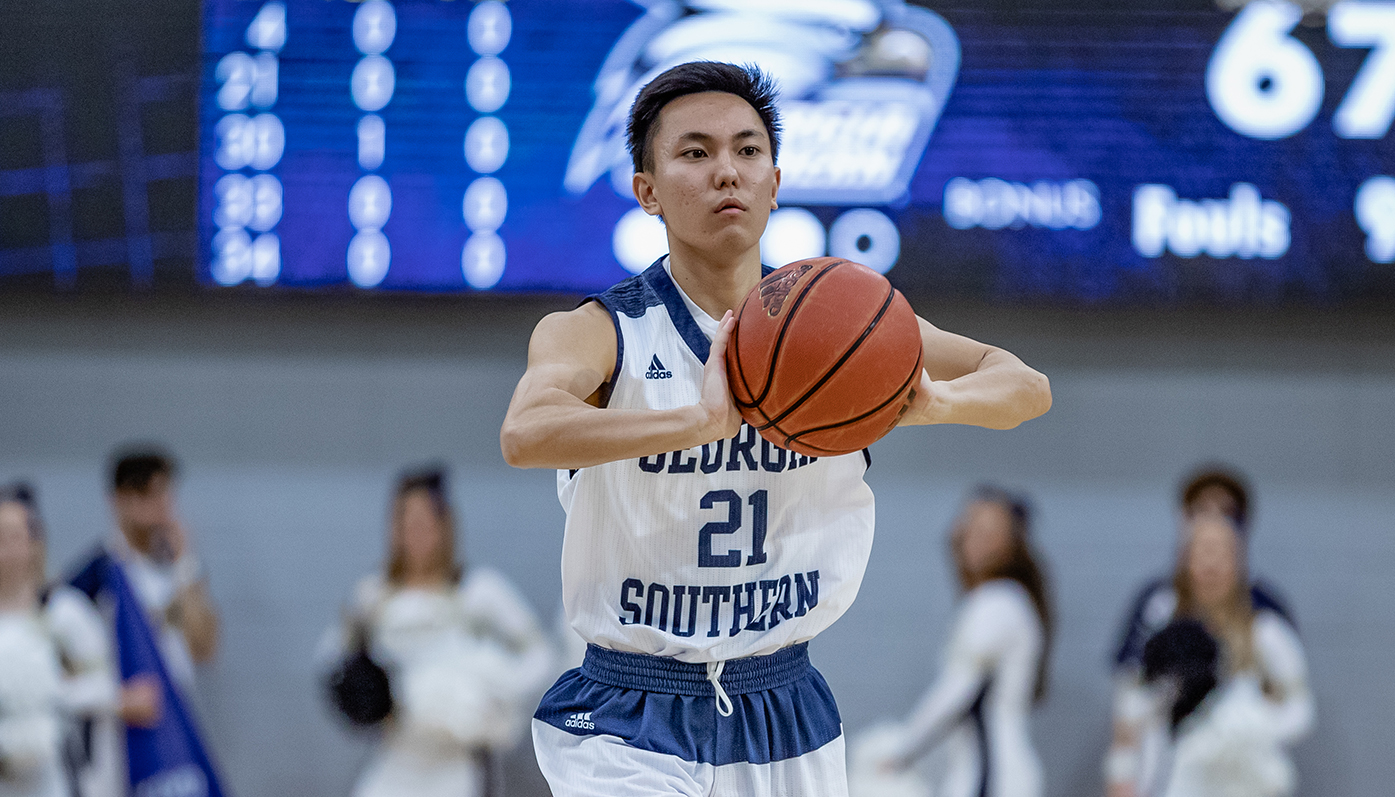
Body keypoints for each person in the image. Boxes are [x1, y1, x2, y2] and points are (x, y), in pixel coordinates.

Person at [499, 61, 1051, 797]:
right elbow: (526, 432)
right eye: (695, 152)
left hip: (783, 705)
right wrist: (696, 422)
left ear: (776, 181)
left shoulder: (843, 326)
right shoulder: (603, 330)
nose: (727, 170)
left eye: (748, 150)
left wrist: (936, 403)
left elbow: (1026, 387)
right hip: (629, 708)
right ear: (647, 191)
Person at [333, 467, 552, 797]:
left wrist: (498, 695)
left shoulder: (479, 591)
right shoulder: (373, 596)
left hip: (457, 761)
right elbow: (335, 662)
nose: (415, 533)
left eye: (424, 522)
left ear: (445, 525)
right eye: (406, 522)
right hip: (398, 755)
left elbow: (540, 656)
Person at [1106, 467, 1297, 797]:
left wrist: (1247, 729)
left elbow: (1295, 706)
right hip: (1172, 772)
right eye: (1201, 511)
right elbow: (1131, 697)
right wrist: (1120, 769)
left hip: (1241, 778)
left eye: (1225, 512)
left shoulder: (1265, 618)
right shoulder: (1159, 608)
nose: (1211, 563)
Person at [66, 448, 225, 797]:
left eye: (165, 494)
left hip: (172, 729)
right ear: (119, 500)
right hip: (114, 745)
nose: (160, 508)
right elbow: (61, 676)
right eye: (147, 496)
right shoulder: (93, 579)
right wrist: (115, 698)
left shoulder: (179, 570)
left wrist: (185, 565)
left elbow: (205, 648)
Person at [877, 486, 1052, 797]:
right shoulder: (999, 600)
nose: (973, 536)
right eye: (969, 525)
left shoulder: (997, 603)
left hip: (994, 778)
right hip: (983, 773)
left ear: (1011, 544)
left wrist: (900, 752)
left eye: (988, 530)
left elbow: (956, 692)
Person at [1136, 515, 1314, 797]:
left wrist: (1254, 728)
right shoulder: (1165, 628)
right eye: (1202, 553)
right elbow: (1148, 717)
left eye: (1221, 554)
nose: (1211, 565)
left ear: (1239, 562)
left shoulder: (1266, 631)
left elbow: (1301, 711)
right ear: (1185, 560)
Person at [0, 484, 120, 797]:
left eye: (14, 536)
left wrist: (54, 697)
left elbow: (105, 683)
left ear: (34, 543)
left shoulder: (63, 611)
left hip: (55, 778)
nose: (5, 549)